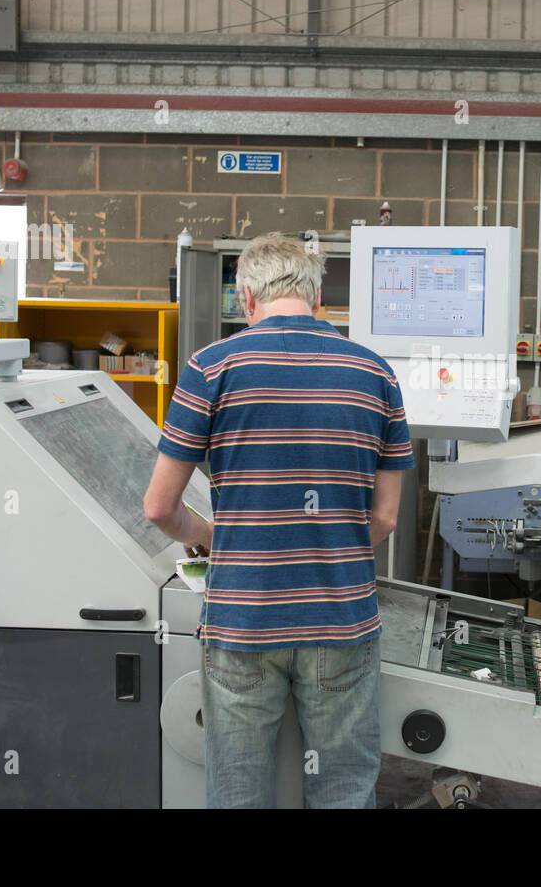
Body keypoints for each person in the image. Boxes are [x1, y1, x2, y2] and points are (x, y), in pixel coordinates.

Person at [143, 231, 413, 808]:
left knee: (238, 793)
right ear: (319, 302)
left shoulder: (210, 367)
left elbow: (159, 508)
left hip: (243, 622)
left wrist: (214, 538)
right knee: (343, 790)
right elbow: (385, 518)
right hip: (340, 621)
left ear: (245, 299)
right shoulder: (376, 374)